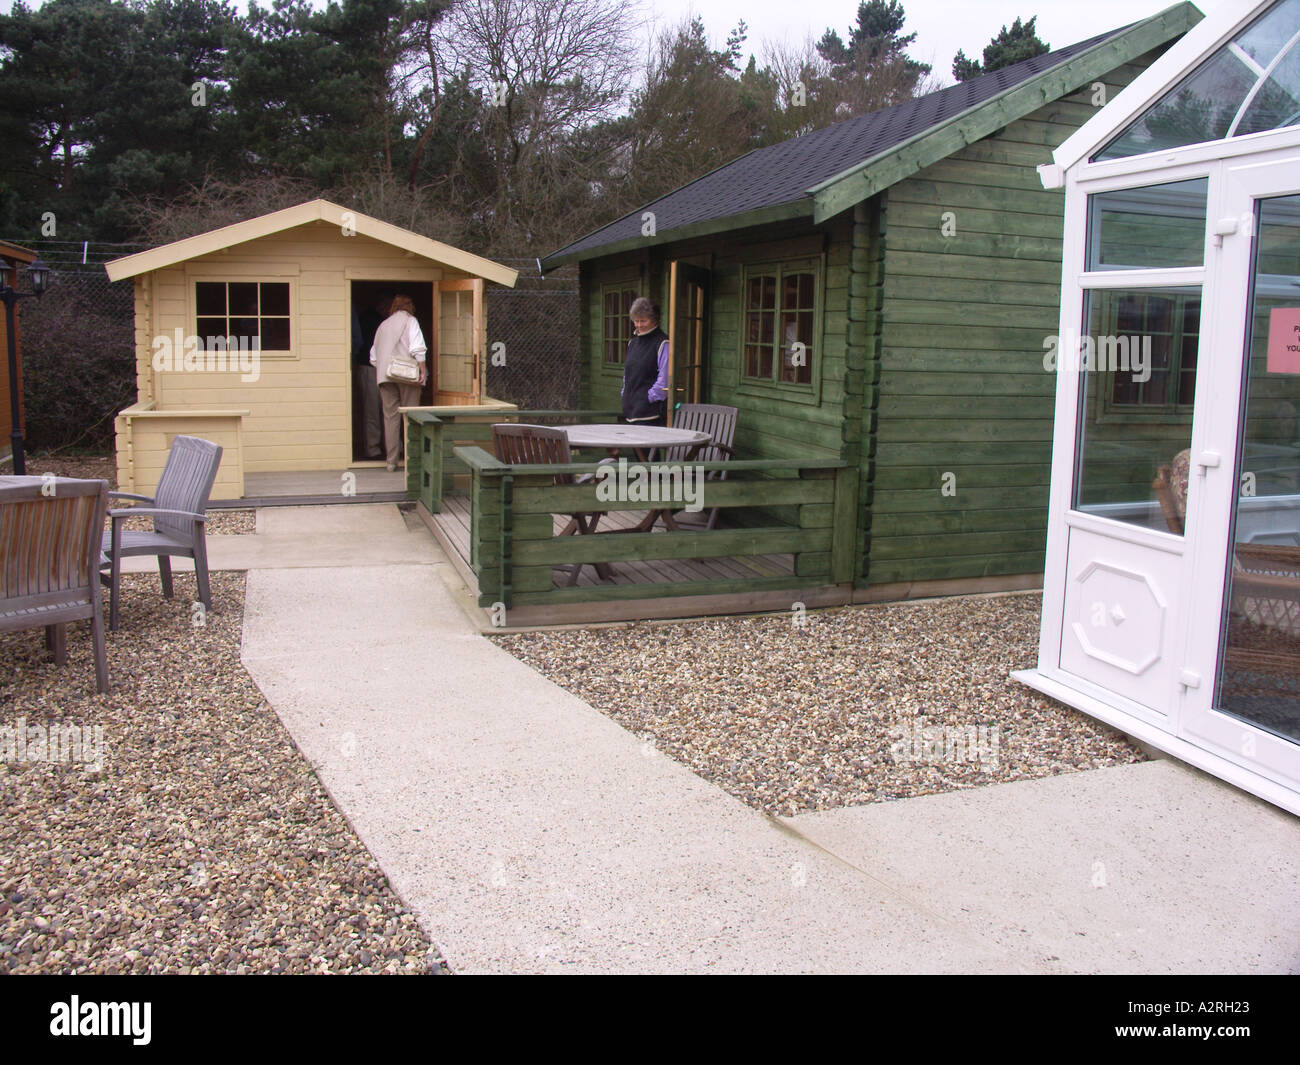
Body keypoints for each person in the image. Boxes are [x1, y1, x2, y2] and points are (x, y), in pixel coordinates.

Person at [370, 293, 427, 471]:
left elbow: (373, 357)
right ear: (410, 306)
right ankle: (412, 459)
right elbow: (418, 348)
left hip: (385, 376)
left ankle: (391, 462)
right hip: (407, 376)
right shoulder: (411, 321)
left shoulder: (382, 325)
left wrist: (386, 367)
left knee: (390, 418)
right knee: (411, 416)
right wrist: (422, 370)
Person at [620, 297, 669, 427]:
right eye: (636, 321)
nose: (639, 325)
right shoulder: (633, 343)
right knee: (633, 447)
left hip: (650, 413)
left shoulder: (663, 343)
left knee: (648, 448)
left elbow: (665, 379)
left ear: (654, 320)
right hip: (630, 411)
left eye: (643, 321)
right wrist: (625, 393)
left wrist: (648, 398)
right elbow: (627, 374)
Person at [353, 293, 387, 459]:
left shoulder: (377, 320)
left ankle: (378, 447)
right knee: (374, 409)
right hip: (369, 367)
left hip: (376, 367)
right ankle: (373, 448)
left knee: (378, 409)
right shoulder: (372, 320)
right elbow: (360, 343)